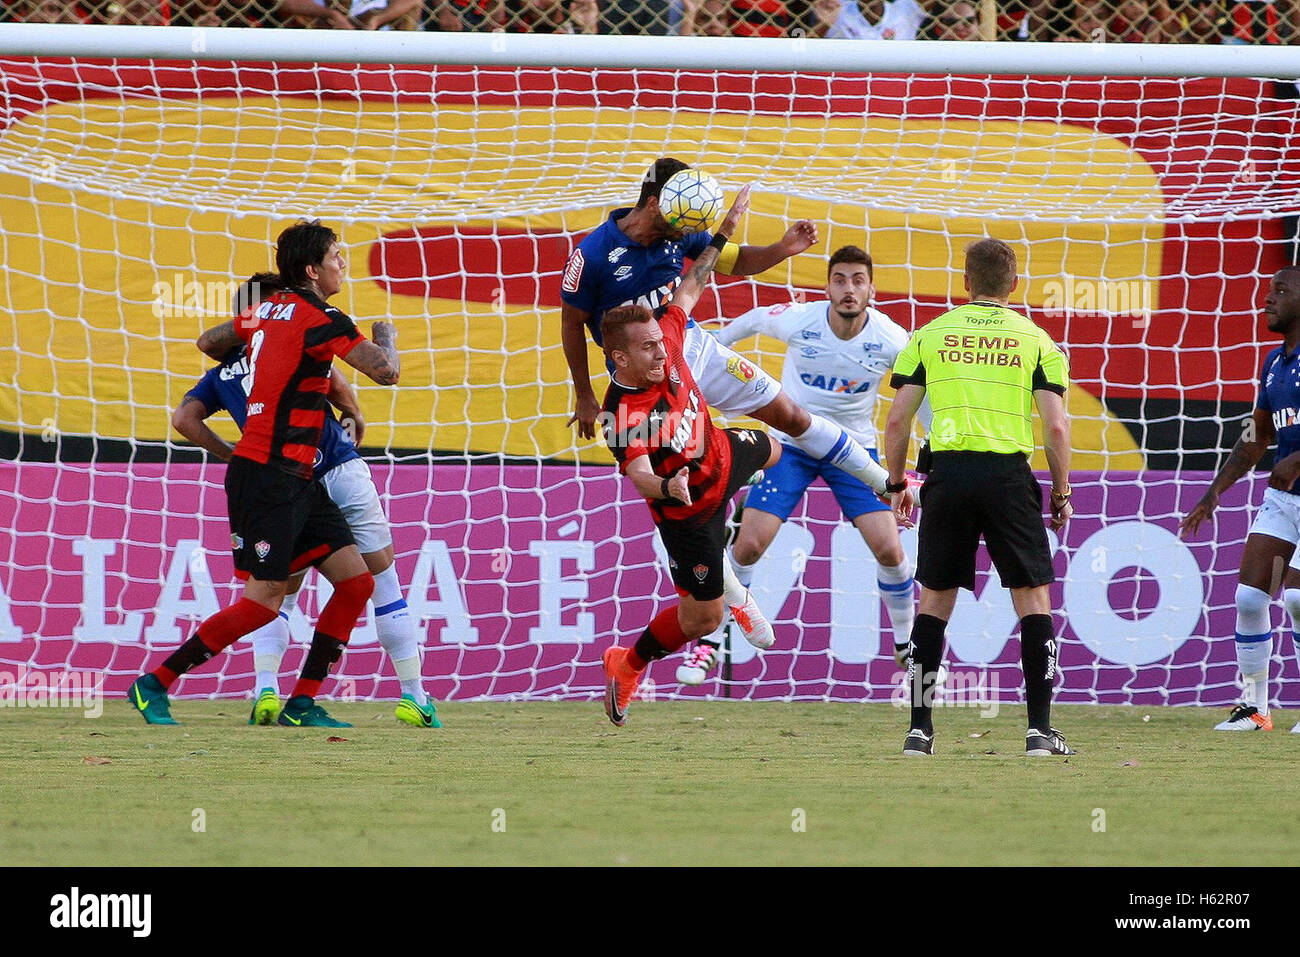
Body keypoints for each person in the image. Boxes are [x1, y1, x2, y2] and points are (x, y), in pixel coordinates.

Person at [561, 157, 892, 683]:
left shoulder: (685, 240)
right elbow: (572, 322)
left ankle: (889, 483)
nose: (687, 233)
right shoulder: (594, 255)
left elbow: (715, 269)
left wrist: (780, 249)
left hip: (686, 343)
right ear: (655, 204)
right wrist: (583, 393)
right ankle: (722, 608)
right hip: (651, 379)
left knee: (786, 423)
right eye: (681, 222)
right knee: (689, 486)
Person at [128, 220, 400, 727]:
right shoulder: (325, 317)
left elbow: (209, 341)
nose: (343, 263)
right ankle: (153, 683)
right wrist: (388, 338)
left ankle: (301, 703)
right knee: (264, 601)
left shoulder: (264, 310)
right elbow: (385, 371)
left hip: (297, 476)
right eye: (337, 256)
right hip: (269, 478)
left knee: (356, 582)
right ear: (312, 269)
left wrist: (256, 333)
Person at [175, 273, 440, 729]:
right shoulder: (298, 337)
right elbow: (342, 383)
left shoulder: (225, 371)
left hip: (282, 478)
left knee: (278, 592)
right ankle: (413, 695)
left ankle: (265, 689)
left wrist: (231, 453)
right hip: (334, 462)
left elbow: (184, 416)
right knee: (383, 577)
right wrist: (356, 411)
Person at [598, 186, 784, 726]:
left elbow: (693, 283)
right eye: (650, 348)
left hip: (722, 453)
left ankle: (734, 580)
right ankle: (628, 663)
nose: (663, 352)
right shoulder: (621, 414)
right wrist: (666, 487)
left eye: (661, 341)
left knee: (780, 449)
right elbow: (637, 474)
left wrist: (726, 229)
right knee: (701, 619)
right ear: (621, 357)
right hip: (689, 510)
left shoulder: (669, 339)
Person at [884, 237, 1075, 757]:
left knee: (934, 602)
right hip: (1008, 478)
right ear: (1014, 285)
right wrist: (1061, 493)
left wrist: (899, 483)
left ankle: (919, 732)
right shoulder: (1037, 341)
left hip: (948, 474)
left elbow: (898, 419)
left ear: (965, 284)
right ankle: (1039, 732)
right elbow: (1056, 429)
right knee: (1032, 599)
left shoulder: (930, 336)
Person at [717, 245, 920, 667]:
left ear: (871, 289)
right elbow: (755, 319)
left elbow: (924, 393)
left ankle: (905, 643)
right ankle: (716, 641)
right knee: (749, 545)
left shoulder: (891, 339)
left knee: (890, 550)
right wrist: (715, 346)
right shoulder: (802, 320)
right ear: (827, 287)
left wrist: (935, 442)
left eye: (858, 281)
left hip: (853, 450)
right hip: (793, 444)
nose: (849, 289)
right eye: (840, 280)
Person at [1180, 266, 1300, 734]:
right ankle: (1255, 709)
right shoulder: (1274, 362)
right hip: (1284, 501)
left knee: (1296, 598)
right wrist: (1213, 493)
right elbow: (1256, 436)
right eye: (1268, 291)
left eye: (1282, 291)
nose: (1268, 299)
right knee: (1250, 598)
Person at [810, 0, 925, 38]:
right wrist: (822, 26)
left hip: (897, 86)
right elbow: (799, 48)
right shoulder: (837, 9)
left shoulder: (904, 10)